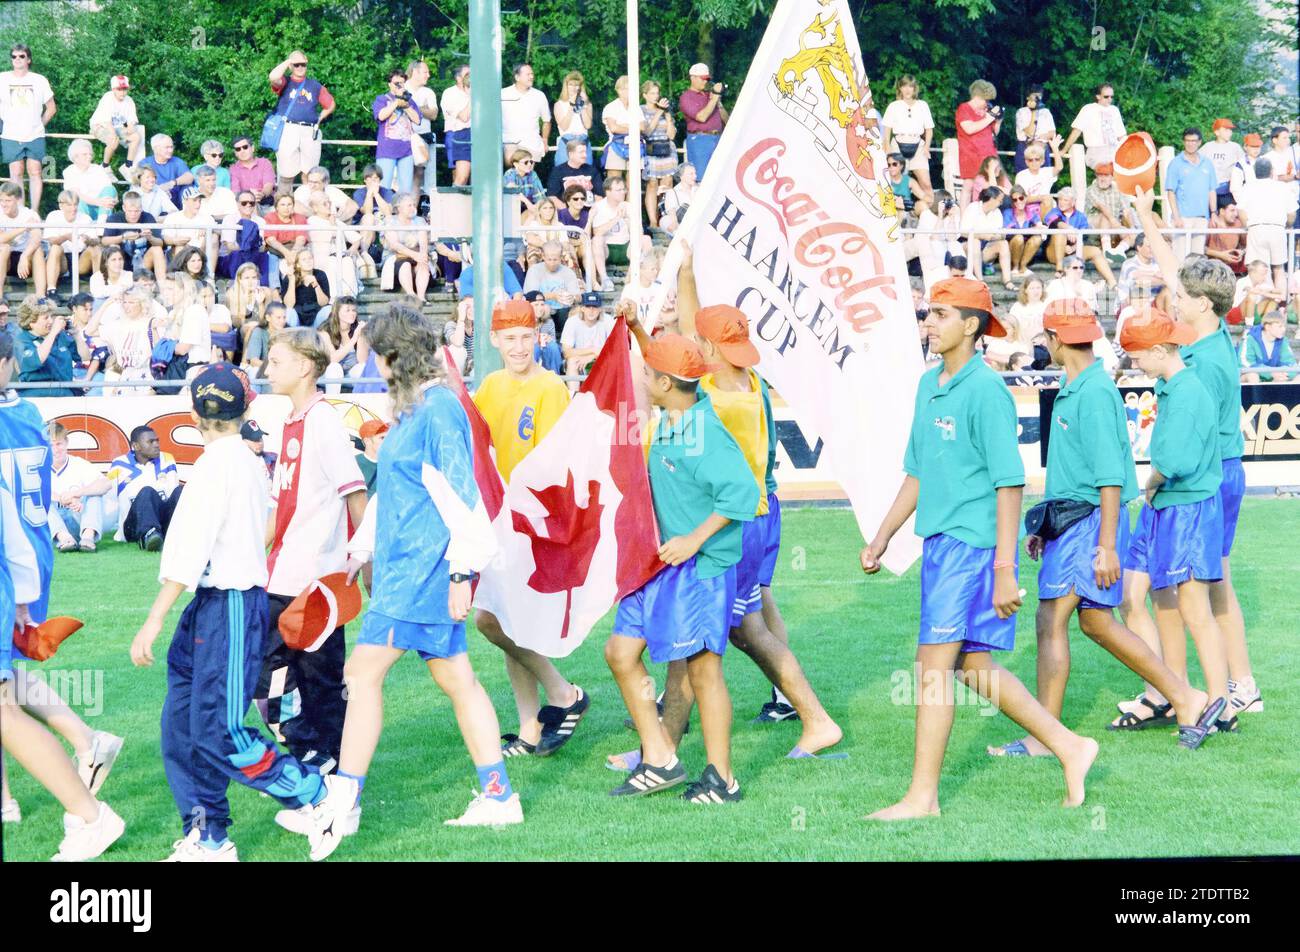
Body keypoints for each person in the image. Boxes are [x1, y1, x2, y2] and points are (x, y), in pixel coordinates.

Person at [861, 277, 1099, 820]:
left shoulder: (987, 391)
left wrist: (1005, 569)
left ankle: (922, 798)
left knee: (931, 668)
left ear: (971, 326)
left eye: (940, 314)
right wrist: (882, 536)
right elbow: (917, 471)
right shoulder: (929, 386)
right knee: (972, 665)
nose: (929, 323)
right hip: (942, 545)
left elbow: (1009, 483)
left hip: (973, 547)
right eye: (928, 314)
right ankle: (1069, 745)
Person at [309, 308, 519, 862]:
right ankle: (498, 793)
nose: (372, 363)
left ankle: (344, 799)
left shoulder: (438, 409)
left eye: (376, 353)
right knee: (459, 681)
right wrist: (359, 553)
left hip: (422, 571)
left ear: (394, 355)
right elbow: (395, 493)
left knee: (362, 673)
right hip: (408, 567)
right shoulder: (413, 410)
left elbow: (461, 494)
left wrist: (459, 572)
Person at [622, 251, 843, 753]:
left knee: (702, 642)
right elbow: (673, 361)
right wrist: (680, 279)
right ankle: (805, 716)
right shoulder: (747, 382)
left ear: (708, 350)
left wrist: (672, 291)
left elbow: (671, 370)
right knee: (749, 626)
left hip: (734, 524)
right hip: (762, 516)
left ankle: (663, 750)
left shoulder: (713, 396)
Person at [987, 298, 1220, 759]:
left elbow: (1110, 476)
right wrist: (1047, 527)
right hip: (1075, 522)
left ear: (1055, 340)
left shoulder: (1091, 393)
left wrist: (1107, 545)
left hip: (1089, 524)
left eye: (1046, 339)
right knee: (1095, 621)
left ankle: (1043, 737)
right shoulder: (1082, 386)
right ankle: (1185, 696)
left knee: (1050, 619)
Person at [128, 364, 331, 861]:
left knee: (214, 728)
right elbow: (264, 524)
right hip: (222, 602)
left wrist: (154, 619)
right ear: (247, 408)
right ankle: (208, 834)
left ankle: (313, 794)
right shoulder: (242, 460)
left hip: (229, 603)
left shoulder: (218, 466)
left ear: (195, 412)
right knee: (184, 724)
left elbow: (188, 551)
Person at [1113, 188, 1258, 731]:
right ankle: (1188, 689)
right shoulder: (1198, 326)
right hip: (1197, 477)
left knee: (1206, 587)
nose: (1171, 296)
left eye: (1181, 295)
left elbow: (1193, 444)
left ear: (1201, 305)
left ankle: (1231, 690)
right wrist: (1142, 208)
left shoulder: (1204, 363)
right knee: (1176, 588)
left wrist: (1158, 477)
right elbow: (1175, 269)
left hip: (1209, 478)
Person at [604, 331, 756, 801]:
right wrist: (634, 330)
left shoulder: (704, 432)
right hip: (659, 565)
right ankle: (660, 758)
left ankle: (722, 779)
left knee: (703, 670)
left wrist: (693, 539)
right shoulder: (676, 414)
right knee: (619, 653)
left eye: (649, 374)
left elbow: (744, 495)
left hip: (700, 569)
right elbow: (672, 361)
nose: (643, 379)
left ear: (667, 384)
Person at [0, 333, 127, 862]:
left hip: (13, 565)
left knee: (3, 698)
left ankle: (88, 813)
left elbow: (6, 514)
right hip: (23, 559)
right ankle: (79, 754)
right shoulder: (27, 412)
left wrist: (23, 591)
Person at [469, 299, 590, 757]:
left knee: (493, 621)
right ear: (495, 340)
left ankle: (564, 694)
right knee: (505, 619)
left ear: (537, 338)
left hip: (531, 523)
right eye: (510, 338)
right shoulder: (490, 386)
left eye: (526, 337)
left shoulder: (551, 388)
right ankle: (530, 728)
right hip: (500, 521)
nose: (519, 347)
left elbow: (553, 466)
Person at [255, 330, 368, 808]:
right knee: (267, 670)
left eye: (276, 360)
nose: (267, 369)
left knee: (320, 679)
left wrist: (363, 562)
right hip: (283, 574)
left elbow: (355, 493)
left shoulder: (323, 422)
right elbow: (282, 503)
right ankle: (314, 751)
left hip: (316, 579)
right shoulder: (292, 422)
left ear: (305, 366)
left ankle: (336, 770)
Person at [1116, 307, 1232, 731]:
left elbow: (1178, 459)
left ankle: (1220, 702)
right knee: (1165, 602)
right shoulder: (1177, 386)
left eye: (1139, 355)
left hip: (1185, 505)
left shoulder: (1185, 392)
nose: (1135, 364)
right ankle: (1180, 693)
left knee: (1193, 607)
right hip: (1173, 505)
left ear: (1162, 350)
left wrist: (1153, 478)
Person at [107, 424, 181, 550]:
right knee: (147, 492)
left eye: (157, 440)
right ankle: (148, 535)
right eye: (150, 442)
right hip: (134, 526)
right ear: (136, 446)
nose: (156, 444)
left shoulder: (167, 459)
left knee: (181, 491)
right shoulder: (119, 464)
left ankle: (188, 532)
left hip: (162, 523)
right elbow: (109, 502)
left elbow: (172, 499)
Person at [0, 44, 56, 212]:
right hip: (11, 134)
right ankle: (19, 212)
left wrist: (39, 125)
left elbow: (51, 108)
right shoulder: (2, 78)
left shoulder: (39, 80)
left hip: (35, 135)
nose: (17, 59)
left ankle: (34, 212)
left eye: (21, 56)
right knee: (16, 173)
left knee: (36, 171)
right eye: (14, 56)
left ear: (29, 59)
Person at [269, 51, 335, 189]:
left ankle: (308, 206)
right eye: (296, 64)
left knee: (310, 174)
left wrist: (320, 118)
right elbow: (273, 76)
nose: (300, 67)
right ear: (291, 66)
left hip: (310, 130)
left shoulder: (315, 85)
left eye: (303, 64)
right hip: (288, 129)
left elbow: (330, 104)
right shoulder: (285, 82)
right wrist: (288, 62)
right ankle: (285, 206)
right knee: (286, 175)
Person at [1236, 158, 1295, 304]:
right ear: (1271, 172)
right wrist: (1288, 224)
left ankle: (1261, 305)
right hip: (1277, 229)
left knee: (1261, 269)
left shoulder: (1248, 187)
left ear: (1255, 172)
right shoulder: (1282, 187)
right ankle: (1279, 304)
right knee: (1279, 269)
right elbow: (1292, 214)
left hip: (1257, 228)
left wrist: (1247, 226)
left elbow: (1241, 211)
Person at [46, 421, 110, 553]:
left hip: (78, 521)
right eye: (50, 445)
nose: (55, 450)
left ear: (66, 443)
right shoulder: (38, 466)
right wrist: (63, 499)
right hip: (54, 526)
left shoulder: (78, 463)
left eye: (59, 444)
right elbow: (33, 491)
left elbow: (106, 484)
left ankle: (88, 538)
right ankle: (64, 538)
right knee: (40, 500)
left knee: (95, 494)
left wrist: (77, 493)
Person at [1044, 188, 1116, 286]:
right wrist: (1069, 229)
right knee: (1060, 233)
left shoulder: (1081, 217)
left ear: (1073, 202)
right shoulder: (1053, 211)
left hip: (1073, 252)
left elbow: (1085, 237)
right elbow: (1057, 222)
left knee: (1096, 251)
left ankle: (1112, 282)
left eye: (1065, 200)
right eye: (1060, 199)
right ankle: (1060, 270)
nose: (1061, 202)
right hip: (1053, 252)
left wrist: (1073, 247)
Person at [16, 295, 85, 398]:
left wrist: (76, 335)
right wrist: (53, 333)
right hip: (36, 394)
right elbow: (37, 360)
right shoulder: (21, 339)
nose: (51, 321)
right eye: (46, 318)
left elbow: (85, 357)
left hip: (64, 393)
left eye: (51, 316)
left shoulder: (60, 335)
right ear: (31, 322)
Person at [1165, 128, 1217, 261]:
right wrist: (1176, 217)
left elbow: (1212, 190)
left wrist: (1213, 213)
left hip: (1201, 217)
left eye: (1194, 141)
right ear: (1183, 142)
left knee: (1198, 259)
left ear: (1199, 142)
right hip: (1182, 218)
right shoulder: (1176, 163)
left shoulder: (1207, 163)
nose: (1190, 144)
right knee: (1180, 258)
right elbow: (1170, 192)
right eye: (1188, 140)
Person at [591, 177, 649, 292]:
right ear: (608, 192)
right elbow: (597, 232)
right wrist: (617, 218)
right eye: (618, 190)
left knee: (646, 239)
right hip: (607, 248)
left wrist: (628, 220)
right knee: (596, 240)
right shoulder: (599, 206)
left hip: (626, 248)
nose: (623, 192)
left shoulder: (629, 206)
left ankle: (632, 276)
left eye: (623, 189)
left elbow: (639, 233)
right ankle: (604, 279)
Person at [882, 75, 935, 196]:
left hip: (918, 147)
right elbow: (887, 130)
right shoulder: (893, 106)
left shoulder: (923, 105)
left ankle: (930, 212)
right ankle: (897, 213)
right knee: (896, 184)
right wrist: (888, 148)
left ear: (915, 88)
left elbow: (929, 130)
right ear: (900, 88)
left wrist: (926, 147)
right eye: (904, 86)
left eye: (910, 86)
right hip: (897, 146)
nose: (907, 89)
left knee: (926, 183)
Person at [102, 189, 168, 285]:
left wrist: (150, 238)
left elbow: (161, 243)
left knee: (157, 249)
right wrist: (123, 237)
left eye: (137, 211)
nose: (133, 214)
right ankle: (111, 284)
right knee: (113, 247)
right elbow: (104, 241)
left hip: (143, 262)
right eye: (130, 211)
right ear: (124, 208)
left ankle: (163, 287)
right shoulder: (114, 218)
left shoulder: (148, 217)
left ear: (141, 208)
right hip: (122, 262)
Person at [372, 68, 420, 195]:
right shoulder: (381, 99)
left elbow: (417, 120)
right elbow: (381, 116)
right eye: (396, 83)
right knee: (384, 186)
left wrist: (406, 105)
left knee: (405, 189)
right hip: (386, 150)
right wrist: (395, 103)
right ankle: (382, 212)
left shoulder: (409, 100)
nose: (399, 86)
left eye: (402, 83)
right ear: (389, 84)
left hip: (406, 150)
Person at [955, 79, 1002, 208]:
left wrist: (998, 120)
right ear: (977, 97)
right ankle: (963, 220)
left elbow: (994, 133)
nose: (987, 103)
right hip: (970, 153)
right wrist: (989, 118)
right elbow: (969, 129)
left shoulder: (987, 111)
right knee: (968, 186)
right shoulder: (964, 108)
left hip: (988, 154)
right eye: (985, 100)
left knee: (992, 186)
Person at [42, 189, 99, 294]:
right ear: (61, 206)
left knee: (95, 249)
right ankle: (51, 290)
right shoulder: (53, 216)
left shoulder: (85, 218)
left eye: (75, 205)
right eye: (69, 205)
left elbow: (95, 241)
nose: (73, 209)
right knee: (55, 248)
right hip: (61, 259)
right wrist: (66, 237)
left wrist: (88, 240)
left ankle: (98, 287)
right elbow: (51, 241)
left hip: (80, 258)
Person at [89, 74, 144, 182]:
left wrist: (130, 127)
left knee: (136, 137)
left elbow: (131, 119)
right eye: (119, 89)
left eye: (124, 89)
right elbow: (106, 120)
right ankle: (105, 167)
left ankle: (128, 167)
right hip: (100, 124)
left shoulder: (129, 101)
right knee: (113, 140)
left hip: (118, 126)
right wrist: (115, 134)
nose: (122, 92)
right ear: (113, 89)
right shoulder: (108, 98)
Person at [679, 63, 727, 182]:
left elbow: (726, 120)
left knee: (719, 179)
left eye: (707, 79)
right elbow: (702, 117)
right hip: (700, 140)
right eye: (703, 79)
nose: (705, 82)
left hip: (717, 139)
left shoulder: (709, 96)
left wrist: (718, 102)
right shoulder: (686, 97)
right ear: (693, 78)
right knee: (700, 178)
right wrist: (715, 97)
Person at [1061, 83, 1126, 169]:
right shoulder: (1088, 109)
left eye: (1112, 97)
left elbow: (1121, 135)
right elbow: (1076, 131)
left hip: (1115, 150)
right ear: (1098, 96)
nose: (1110, 99)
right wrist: (1064, 150)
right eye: (1106, 96)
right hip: (1096, 151)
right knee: (1105, 173)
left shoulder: (1115, 110)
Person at [640, 80, 678, 228]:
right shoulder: (641, 110)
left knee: (667, 184)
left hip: (667, 149)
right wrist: (659, 112)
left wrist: (668, 118)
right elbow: (647, 132)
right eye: (652, 93)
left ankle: (666, 218)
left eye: (657, 93)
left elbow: (672, 135)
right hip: (651, 149)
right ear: (645, 95)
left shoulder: (666, 111)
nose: (656, 96)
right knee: (652, 185)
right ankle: (653, 221)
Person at [960, 186, 1013, 289]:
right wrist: (982, 235)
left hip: (986, 249)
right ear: (992, 200)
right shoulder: (972, 208)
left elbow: (1001, 233)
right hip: (968, 248)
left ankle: (1007, 281)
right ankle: (980, 280)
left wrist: (995, 236)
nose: (1001, 203)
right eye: (1000, 201)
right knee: (975, 242)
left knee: (1004, 244)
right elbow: (963, 232)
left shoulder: (997, 212)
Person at [0, 182, 44, 300]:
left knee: (38, 250)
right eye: (1, 200)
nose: (4, 204)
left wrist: (24, 256)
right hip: (5, 258)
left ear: (18, 200)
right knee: (4, 247)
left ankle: (41, 297)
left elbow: (37, 237)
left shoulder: (29, 214)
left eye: (8, 201)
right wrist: (24, 227)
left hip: (25, 259)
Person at [500, 63, 549, 166]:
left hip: (532, 142)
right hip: (510, 141)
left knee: (527, 171)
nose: (531, 77)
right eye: (528, 74)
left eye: (532, 74)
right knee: (513, 170)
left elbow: (546, 121)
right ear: (517, 77)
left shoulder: (539, 95)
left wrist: (545, 140)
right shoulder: (503, 94)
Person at [405, 59, 440, 200]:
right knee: (404, 172)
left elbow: (434, 114)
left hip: (423, 137)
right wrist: (423, 108)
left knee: (419, 173)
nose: (428, 75)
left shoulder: (429, 92)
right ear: (415, 72)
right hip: (405, 137)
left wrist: (412, 107)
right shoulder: (402, 88)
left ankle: (415, 207)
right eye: (425, 72)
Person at [559, 290, 613, 378]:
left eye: (595, 307)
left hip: (602, 358)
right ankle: (574, 391)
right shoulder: (572, 321)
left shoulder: (608, 320)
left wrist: (592, 356)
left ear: (600, 309)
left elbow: (614, 349)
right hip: (579, 359)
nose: (591, 310)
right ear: (582, 308)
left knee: (608, 361)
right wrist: (592, 350)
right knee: (572, 361)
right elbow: (566, 352)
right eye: (588, 306)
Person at [262, 189, 309, 286]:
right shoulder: (270, 217)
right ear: (277, 207)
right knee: (271, 259)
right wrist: (287, 253)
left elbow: (301, 238)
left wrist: (293, 253)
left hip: (295, 249)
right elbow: (271, 240)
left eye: (289, 204)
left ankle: (305, 286)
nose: (286, 208)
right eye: (282, 205)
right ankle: (275, 290)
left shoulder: (300, 218)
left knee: (304, 258)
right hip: (276, 250)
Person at [136, 134, 194, 208]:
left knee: (189, 189)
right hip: (154, 198)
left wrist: (171, 183)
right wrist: (160, 191)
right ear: (155, 148)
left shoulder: (176, 161)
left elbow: (189, 177)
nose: (171, 150)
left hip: (176, 198)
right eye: (167, 147)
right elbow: (140, 184)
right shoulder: (145, 163)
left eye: (171, 147)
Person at [601, 75, 640, 182]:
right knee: (614, 180)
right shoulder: (611, 107)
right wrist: (633, 127)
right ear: (619, 90)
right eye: (626, 88)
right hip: (615, 146)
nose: (629, 91)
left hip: (636, 146)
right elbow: (614, 128)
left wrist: (622, 126)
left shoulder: (636, 107)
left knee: (633, 181)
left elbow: (642, 127)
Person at [281, 247, 331, 329]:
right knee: (289, 312)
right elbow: (289, 305)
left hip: (316, 317)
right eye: (304, 259)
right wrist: (292, 281)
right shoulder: (289, 277)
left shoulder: (320, 274)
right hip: (298, 319)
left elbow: (324, 303)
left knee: (328, 309)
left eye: (310, 258)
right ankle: (293, 339)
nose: (308, 261)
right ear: (298, 264)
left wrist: (316, 284)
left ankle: (320, 338)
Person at [1013, 141, 1063, 221]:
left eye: (1037, 159)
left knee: (1048, 201)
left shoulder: (1046, 172)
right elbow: (1020, 199)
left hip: (1047, 207)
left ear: (1042, 161)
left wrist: (1055, 148)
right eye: (1030, 160)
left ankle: (1045, 227)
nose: (1034, 162)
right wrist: (1040, 198)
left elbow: (1059, 167)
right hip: (1028, 209)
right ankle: (1044, 228)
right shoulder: (1021, 176)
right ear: (1026, 162)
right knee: (1047, 199)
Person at [546, 138, 604, 207]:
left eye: (585, 152)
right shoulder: (558, 171)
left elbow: (599, 196)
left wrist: (594, 211)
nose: (585, 155)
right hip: (566, 212)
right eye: (581, 152)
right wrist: (567, 213)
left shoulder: (592, 170)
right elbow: (552, 197)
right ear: (571, 154)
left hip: (589, 211)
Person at [1240, 311, 1295, 382]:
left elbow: (1291, 363)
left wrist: (1282, 373)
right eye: (1280, 326)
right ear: (1268, 327)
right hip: (1251, 376)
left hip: (1273, 376)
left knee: (1294, 377)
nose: (1283, 329)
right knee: (1252, 375)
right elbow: (1246, 363)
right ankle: (1256, 393)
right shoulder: (1250, 339)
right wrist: (1270, 372)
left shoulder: (1283, 341)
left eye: (1284, 326)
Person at [554, 70, 594, 166]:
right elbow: (564, 126)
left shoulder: (588, 104)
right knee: (564, 175)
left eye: (577, 85)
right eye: (571, 85)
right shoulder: (559, 104)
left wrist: (583, 105)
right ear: (566, 86)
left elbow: (588, 125)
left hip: (583, 142)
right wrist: (571, 105)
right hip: (566, 143)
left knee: (585, 175)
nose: (574, 88)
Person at [440, 65, 472, 186]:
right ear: (458, 78)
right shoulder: (449, 93)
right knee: (459, 175)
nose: (471, 77)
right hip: (457, 135)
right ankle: (454, 203)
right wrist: (472, 96)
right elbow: (464, 117)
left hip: (476, 135)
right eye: (467, 74)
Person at [1202, 119, 1245, 208]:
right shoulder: (1208, 147)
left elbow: (1243, 166)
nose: (1229, 132)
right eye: (1226, 130)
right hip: (1210, 189)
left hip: (1228, 190)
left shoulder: (1235, 147)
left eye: (1230, 130)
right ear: (1217, 132)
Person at [1013, 85, 1055, 172]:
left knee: (1045, 177)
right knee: (1023, 177)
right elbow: (1029, 132)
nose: (1038, 98)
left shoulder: (1046, 112)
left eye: (1039, 95)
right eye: (1035, 95)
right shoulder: (1021, 112)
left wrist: (1040, 138)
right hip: (1025, 147)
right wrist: (1034, 111)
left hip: (1042, 148)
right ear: (1028, 97)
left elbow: (1052, 133)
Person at [1003, 187, 1044, 277]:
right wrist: (1032, 230)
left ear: (1025, 198)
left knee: (1037, 238)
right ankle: (1015, 267)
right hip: (1011, 248)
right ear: (1012, 202)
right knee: (1018, 238)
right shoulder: (1008, 212)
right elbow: (1008, 231)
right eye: (1015, 200)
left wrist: (1039, 227)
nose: (1018, 201)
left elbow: (1040, 226)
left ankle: (1023, 266)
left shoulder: (1032, 211)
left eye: (1021, 198)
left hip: (1027, 248)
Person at [229, 135, 277, 209]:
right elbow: (236, 192)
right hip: (246, 205)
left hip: (267, 202)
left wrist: (261, 194)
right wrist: (250, 196)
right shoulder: (233, 169)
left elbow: (269, 185)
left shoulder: (264, 163)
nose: (242, 151)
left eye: (245, 147)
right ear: (235, 153)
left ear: (252, 148)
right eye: (238, 149)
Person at [1205, 197, 1246, 277]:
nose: (1236, 214)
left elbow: (1246, 246)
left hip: (1232, 272)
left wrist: (1242, 252)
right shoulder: (1211, 224)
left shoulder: (1238, 224)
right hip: (1210, 269)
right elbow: (1200, 248)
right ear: (1222, 211)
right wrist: (1220, 255)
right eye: (1232, 211)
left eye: (1236, 211)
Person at [503, 148, 546, 215]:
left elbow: (540, 196)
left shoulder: (533, 174)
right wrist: (528, 203)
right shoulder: (510, 173)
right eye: (526, 162)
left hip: (528, 209)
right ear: (516, 164)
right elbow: (514, 191)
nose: (529, 164)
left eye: (531, 162)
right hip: (512, 210)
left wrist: (537, 207)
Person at [1229, 133, 1264, 204]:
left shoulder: (1265, 161)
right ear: (1245, 147)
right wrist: (1244, 205)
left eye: (1258, 146)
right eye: (1253, 146)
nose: (1256, 149)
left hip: (1264, 203)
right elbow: (1235, 189)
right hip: (1248, 204)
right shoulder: (1240, 165)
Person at [354, 419, 387, 494]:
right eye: (382, 438)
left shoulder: (392, 466)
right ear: (367, 441)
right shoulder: (353, 464)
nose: (387, 442)